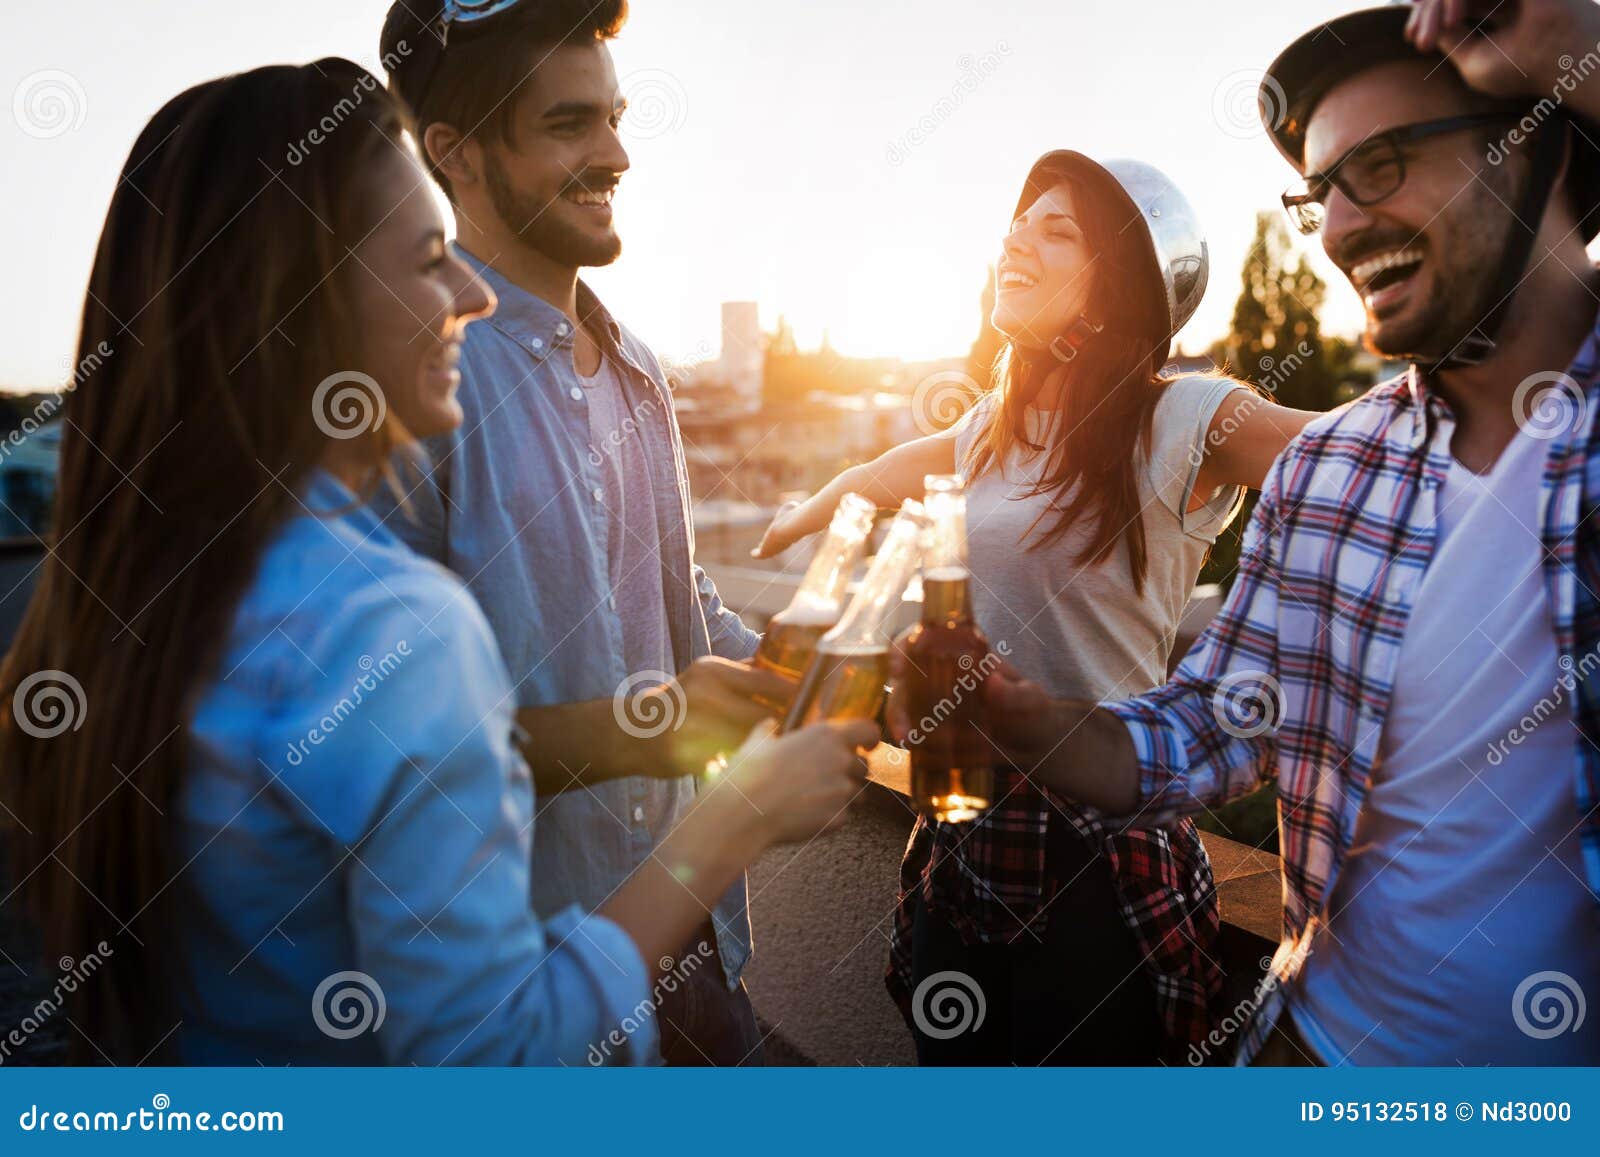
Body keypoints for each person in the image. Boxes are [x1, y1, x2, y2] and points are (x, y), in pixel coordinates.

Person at [0, 60, 876, 1066]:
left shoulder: (151, 591)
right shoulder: (389, 622)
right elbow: (499, 1062)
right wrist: (735, 818)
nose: (470, 293)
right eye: (427, 260)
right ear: (304, 305)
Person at [906, 0, 1600, 1066]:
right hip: (1301, 1051)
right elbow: (1209, 728)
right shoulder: (1332, 472)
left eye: (1381, 167)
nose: (1338, 226)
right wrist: (1026, 718)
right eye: (1321, 192)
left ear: (1542, 152)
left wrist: (1575, 46)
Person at [759, 154, 1317, 1063]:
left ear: (1116, 291)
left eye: (1058, 231)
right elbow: (887, 472)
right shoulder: (990, 428)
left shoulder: (1182, 418)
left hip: (1098, 852)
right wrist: (810, 510)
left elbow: (1351, 456)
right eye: (1018, 224)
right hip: (965, 832)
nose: (1016, 240)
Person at [374, 1, 777, 1065]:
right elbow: (391, 744)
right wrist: (647, 728)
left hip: (697, 954)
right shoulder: (415, 390)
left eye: (615, 118)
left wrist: (812, 662)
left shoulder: (637, 364)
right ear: (455, 153)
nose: (616, 156)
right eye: (569, 125)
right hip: (524, 991)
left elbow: (675, 603)